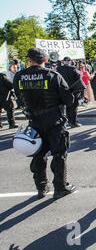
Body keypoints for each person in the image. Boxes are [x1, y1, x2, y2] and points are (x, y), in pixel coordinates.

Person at [13, 48, 76, 200]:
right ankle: (60, 187)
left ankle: (41, 187)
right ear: (45, 60)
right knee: (59, 154)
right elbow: (69, 99)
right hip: (54, 120)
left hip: (34, 121)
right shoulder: (53, 75)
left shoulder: (20, 76)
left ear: (29, 60)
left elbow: (19, 98)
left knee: (38, 154)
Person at [57, 57, 85, 128]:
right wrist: (81, 91)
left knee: (64, 108)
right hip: (72, 91)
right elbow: (79, 81)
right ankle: (73, 122)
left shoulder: (58, 69)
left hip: (62, 91)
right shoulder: (73, 69)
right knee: (73, 107)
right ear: (70, 62)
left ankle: (65, 122)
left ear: (63, 62)